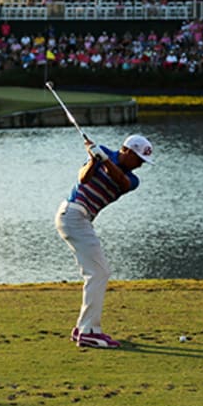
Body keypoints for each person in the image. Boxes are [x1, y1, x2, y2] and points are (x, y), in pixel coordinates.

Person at [55, 133, 154, 349]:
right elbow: (83, 178)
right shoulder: (103, 154)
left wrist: (104, 159)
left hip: (78, 218)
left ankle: (83, 328)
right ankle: (89, 332)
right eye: (138, 159)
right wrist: (93, 159)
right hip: (73, 214)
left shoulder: (132, 180)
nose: (140, 165)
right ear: (126, 150)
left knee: (97, 272)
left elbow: (121, 182)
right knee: (99, 273)